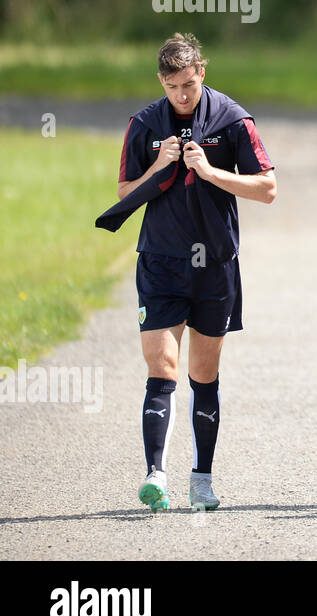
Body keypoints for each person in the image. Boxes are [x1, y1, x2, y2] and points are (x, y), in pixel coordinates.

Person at [97, 33, 276, 512]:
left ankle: (201, 477)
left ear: (203, 75)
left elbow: (268, 188)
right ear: (161, 80)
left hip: (214, 265)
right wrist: (158, 164)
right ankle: (156, 475)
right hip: (160, 261)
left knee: (203, 373)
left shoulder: (232, 119)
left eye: (190, 85)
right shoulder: (144, 124)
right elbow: (123, 192)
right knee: (161, 368)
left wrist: (213, 172)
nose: (182, 94)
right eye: (174, 85)